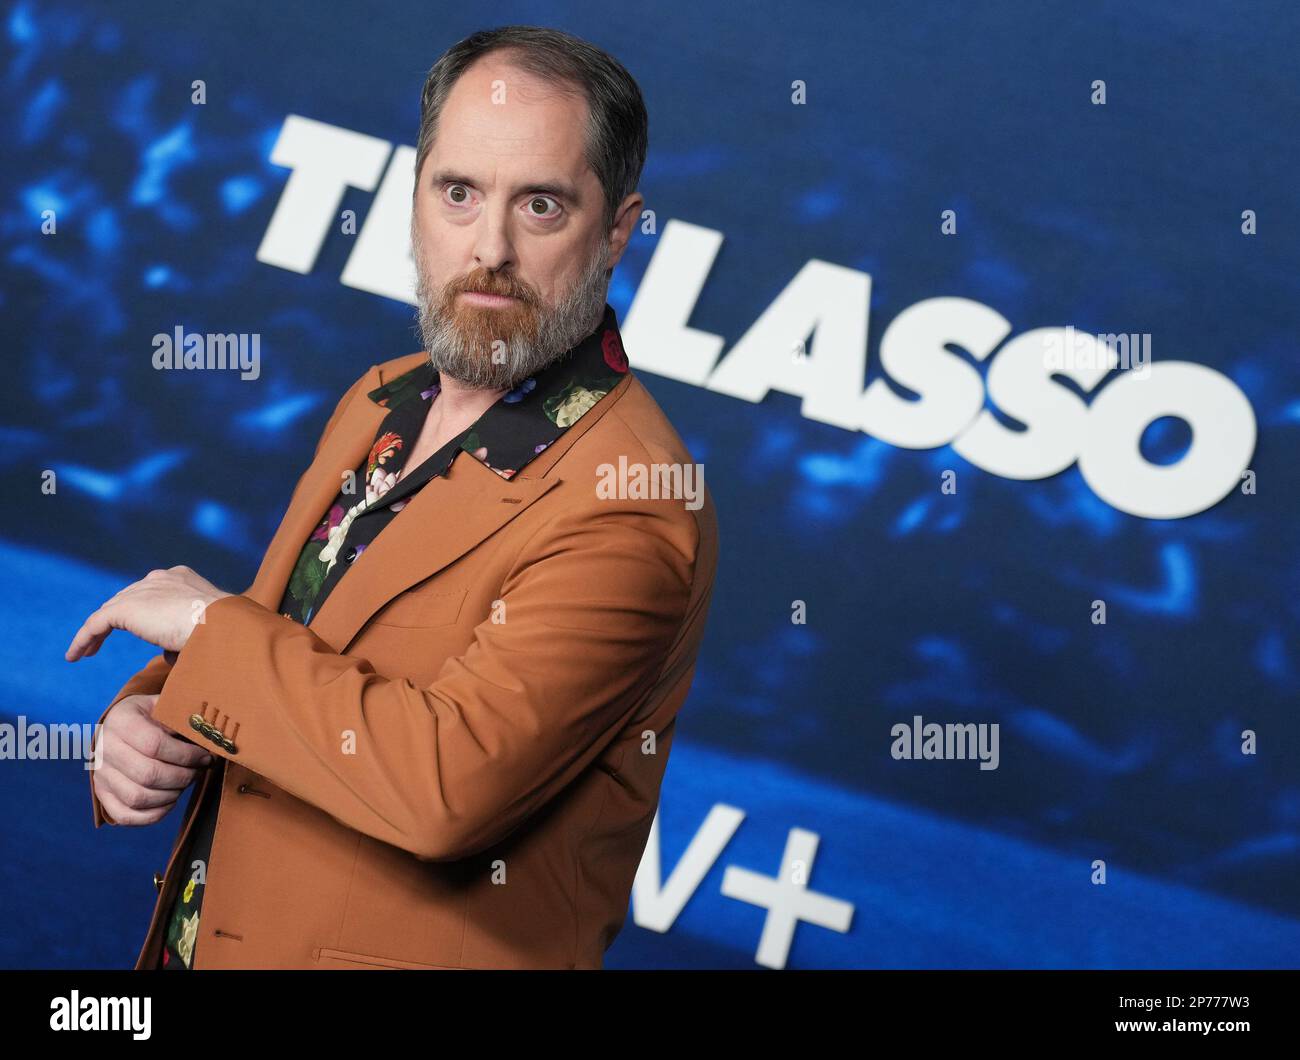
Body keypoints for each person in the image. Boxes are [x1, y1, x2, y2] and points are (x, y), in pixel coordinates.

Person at [68, 25, 718, 970]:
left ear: (618, 229)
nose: (487, 247)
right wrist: (157, 718)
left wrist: (206, 633)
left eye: (540, 205)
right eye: (459, 192)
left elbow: (447, 787)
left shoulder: (631, 500)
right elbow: (299, 645)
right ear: (414, 197)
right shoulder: (384, 396)